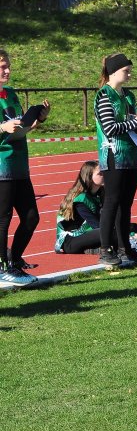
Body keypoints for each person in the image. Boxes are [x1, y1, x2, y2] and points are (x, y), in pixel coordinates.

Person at [94, 53, 137, 269]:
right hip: (114, 155)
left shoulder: (128, 96)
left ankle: (125, 248)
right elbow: (110, 128)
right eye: (125, 70)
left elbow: (132, 125)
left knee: (126, 205)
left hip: (131, 155)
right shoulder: (104, 95)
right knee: (111, 202)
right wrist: (133, 123)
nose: (129, 74)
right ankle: (105, 249)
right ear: (113, 72)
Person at [0, 49, 50, 286]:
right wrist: (2, 128)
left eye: (8, 66)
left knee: (31, 217)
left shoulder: (9, 93)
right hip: (1, 166)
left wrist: (37, 119)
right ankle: (2, 267)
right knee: (3, 218)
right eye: (2, 67)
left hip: (20, 164)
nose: (7, 70)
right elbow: (6, 128)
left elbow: (21, 127)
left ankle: (14, 260)